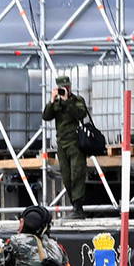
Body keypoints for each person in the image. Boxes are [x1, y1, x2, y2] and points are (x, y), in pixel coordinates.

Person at [41, 74, 89, 219]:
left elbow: (80, 114)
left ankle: (78, 207)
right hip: (62, 143)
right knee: (66, 176)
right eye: (63, 88)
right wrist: (52, 99)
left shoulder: (77, 100)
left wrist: (67, 100)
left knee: (77, 174)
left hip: (75, 142)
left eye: (67, 87)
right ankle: (75, 206)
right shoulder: (56, 103)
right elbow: (46, 116)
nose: (66, 89)